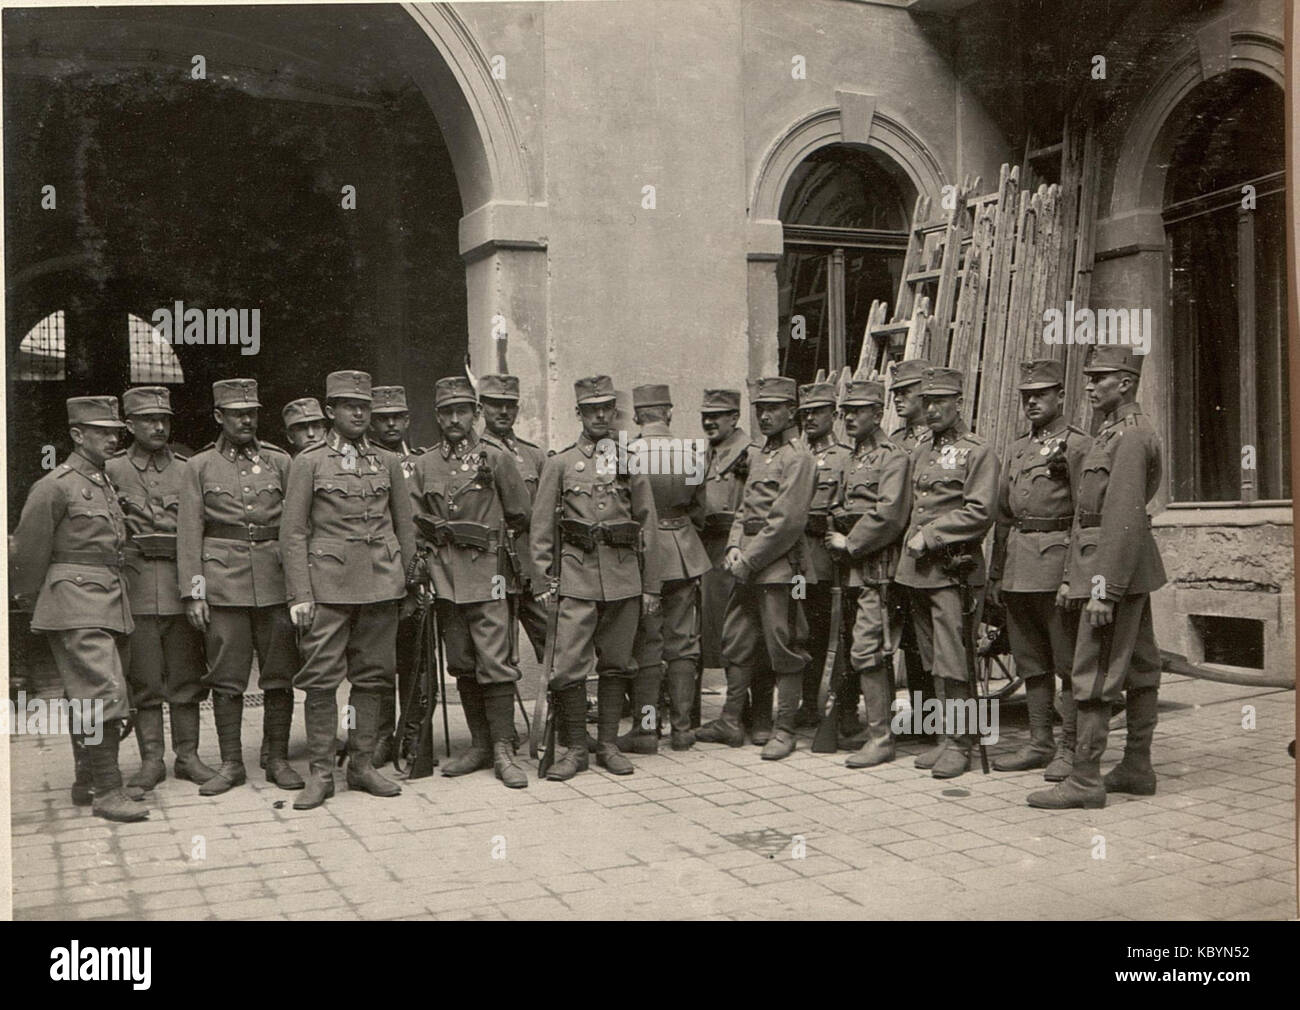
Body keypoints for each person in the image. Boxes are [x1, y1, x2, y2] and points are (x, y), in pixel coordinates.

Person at [1029, 346, 1166, 809]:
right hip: (1116, 566)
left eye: (1099, 377)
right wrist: (1073, 577)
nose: (1088, 385)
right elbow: (1085, 517)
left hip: (1112, 570)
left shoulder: (1128, 437)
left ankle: (1086, 778)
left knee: (1093, 672)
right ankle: (1137, 767)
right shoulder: (1110, 432)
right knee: (1142, 665)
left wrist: (1103, 590)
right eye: (1088, 377)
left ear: (1125, 383)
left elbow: (1122, 517)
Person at [280, 370, 416, 809]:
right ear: (330, 411)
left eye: (364, 406)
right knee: (320, 682)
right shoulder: (309, 461)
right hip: (328, 588)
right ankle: (320, 773)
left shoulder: (387, 462)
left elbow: (404, 524)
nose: (359, 413)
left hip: (380, 584)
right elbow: (293, 532)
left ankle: (360, 764)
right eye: (348, 406)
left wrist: (408, 579)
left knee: (372, 678)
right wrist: (300, 594)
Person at [10, 396, 146, 822]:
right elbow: (27, 551)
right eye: (101, 431)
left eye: (115, 431)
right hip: (72, 600)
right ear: (76, 434)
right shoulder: (55, 485)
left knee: (86, 694)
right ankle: (108, 791)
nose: (112, 437)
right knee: (103, 692)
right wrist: (33, 604)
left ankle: (86, 780)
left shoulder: (104, 482)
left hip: (108, 597)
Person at [530, 375, 661, 780]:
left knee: (617, 663)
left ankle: (606, 744)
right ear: (579, 414)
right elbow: (541, 530)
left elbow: (647, 523)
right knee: (568, 667)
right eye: (592, 409)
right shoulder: (560, 463)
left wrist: (651, 585)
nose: (600, 415)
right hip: (576, 577)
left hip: (623, 578)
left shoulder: (629, 460)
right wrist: (542, 580)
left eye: (607, 408)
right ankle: (574, 749)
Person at [406, 376, 532, 789]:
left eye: (463, 410)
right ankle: (479, 744)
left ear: (475, 413)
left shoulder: (494, 458)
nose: (455, 419)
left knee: (495, 662)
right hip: (445, 577)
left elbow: (519, 512)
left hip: (489, 573)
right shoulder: (424, 465)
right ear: (437, 416)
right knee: (461, 661)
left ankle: (502, 749)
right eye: (447, 412)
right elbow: (415, 521)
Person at [177, 379, 302, 795]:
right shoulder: (199, 467)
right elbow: (189, 533)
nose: (246, 419)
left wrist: (300, 588)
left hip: (274, 580)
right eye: (236, 413)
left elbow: (297, 526)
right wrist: (194, 592)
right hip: (222, 583)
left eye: (251, 412)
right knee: (226, 677)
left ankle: (278, 758)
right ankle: (232, 763)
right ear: (219, 416)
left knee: (279, 674)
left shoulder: (280, 462)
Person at [695, 376, 815, 760]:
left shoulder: (799, 458)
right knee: (736, 640)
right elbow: (744, 509)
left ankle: (784, 729)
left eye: (773, 409)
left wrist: (748, 558)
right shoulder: (762, 455)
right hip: (747, 563)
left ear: (791, 412)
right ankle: (731, 720)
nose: (765, 416)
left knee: (784, 645)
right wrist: (732, 545)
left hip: (782, 569)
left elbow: (787, 522)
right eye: (760, 409)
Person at [105, 387, 213, 792]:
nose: (158, 426)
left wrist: (196, 591)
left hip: (179, 583)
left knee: (187, 677)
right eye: (149, 420)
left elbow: (200, 536)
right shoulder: (112, 470)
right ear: (129, 426)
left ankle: (188, 756)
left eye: (164, 419)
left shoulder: (189, 468)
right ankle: (152, 760)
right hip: (134, 586)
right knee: (145, 679)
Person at [895, 367, 999, 780]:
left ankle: (961, 743)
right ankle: (945, 736)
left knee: (956, 660)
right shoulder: (921, 451)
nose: (932, 408)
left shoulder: (978, 452)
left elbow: (980, 511)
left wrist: (931, 535)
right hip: (920, 573)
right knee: (934, 659)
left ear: (960, 403)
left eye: (941, 401)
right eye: (928, 401)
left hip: (954, 571)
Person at [987, 360, 1091, 775]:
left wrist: (1072, 576)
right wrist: (996, 574)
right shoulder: (1016, 448)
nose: (1032, 402)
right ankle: (1039, 743)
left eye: (1041, 394)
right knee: (1030, 662)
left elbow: (1086, 515)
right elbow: (1003, 517)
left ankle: (1071, 750)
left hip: (1055, 567)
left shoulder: (1078, 445)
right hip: (1018, 569)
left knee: (1067, 664)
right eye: (1026, 396)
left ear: (1060, 396)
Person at [619, 383, 710, 753]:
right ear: (669, 413)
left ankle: (646, 729)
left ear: (639, 416)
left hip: (643, 555)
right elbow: (700, 510)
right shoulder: (692, 453)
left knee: (646, 643)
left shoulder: (627, 453)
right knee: (684, 642)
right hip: (685, 550)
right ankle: (684, 730)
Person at [824, 379, 910, 767]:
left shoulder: (892, 456)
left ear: (878, 414)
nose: (849, 417)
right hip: (851, 570)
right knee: (858, 649)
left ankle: (881, 737)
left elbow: (889, 513)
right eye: (846, 410)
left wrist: (850, 542)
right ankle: (873, 728)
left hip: (876, 567)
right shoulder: (853, 457)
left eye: (858, 410)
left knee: (868, 648)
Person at [367, 385, 423, 768]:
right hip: (380, 577)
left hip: (420, 575)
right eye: (382, 417)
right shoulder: (368, 463)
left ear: (406, 420)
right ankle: (381, 737)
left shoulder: (422, 463)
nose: (390, 424)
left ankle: (415, 735)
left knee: (418, 663)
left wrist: (423, 570)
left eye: (397, 417)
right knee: (380, 662)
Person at [795, 380, 854, 732]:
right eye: (805, 413)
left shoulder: (845, 457)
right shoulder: (796, 454)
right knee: (801, 630)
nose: (810, 419)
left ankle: (844, 706)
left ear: (833, 414)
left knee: (835, 633)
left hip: (828, 559)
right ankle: (806, 703)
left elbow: (849, 506)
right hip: (799, 562)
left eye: (817, 412)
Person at [478, 374, 549, 663]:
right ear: (481, 408)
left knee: (555, 641)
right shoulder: (473, 454)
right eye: (495, 404)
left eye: (510, 405)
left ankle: (560, 707)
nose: (504, 412)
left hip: (529, 567)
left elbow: (545, 514)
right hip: (490, 567)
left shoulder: (534, 456)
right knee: (496, 653)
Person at [698, 389, 756, 722]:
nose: (709, 421)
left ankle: (740, 708)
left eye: (716, 415)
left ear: (734, 418)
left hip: (735, 550)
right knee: (712, 629)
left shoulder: (749, 453)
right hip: (705, 551)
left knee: (738, 630)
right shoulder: (702, 453)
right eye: (705, 415)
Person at [886, 358, 935, 737]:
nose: (898, 400)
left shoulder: (937, 440)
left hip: (926, 554)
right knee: (904, 639)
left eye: (906, 392)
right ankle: (916, 718)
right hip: (894, 555)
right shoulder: (894, 442)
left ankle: (935, 723)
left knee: (930, 641)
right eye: (896, 393)